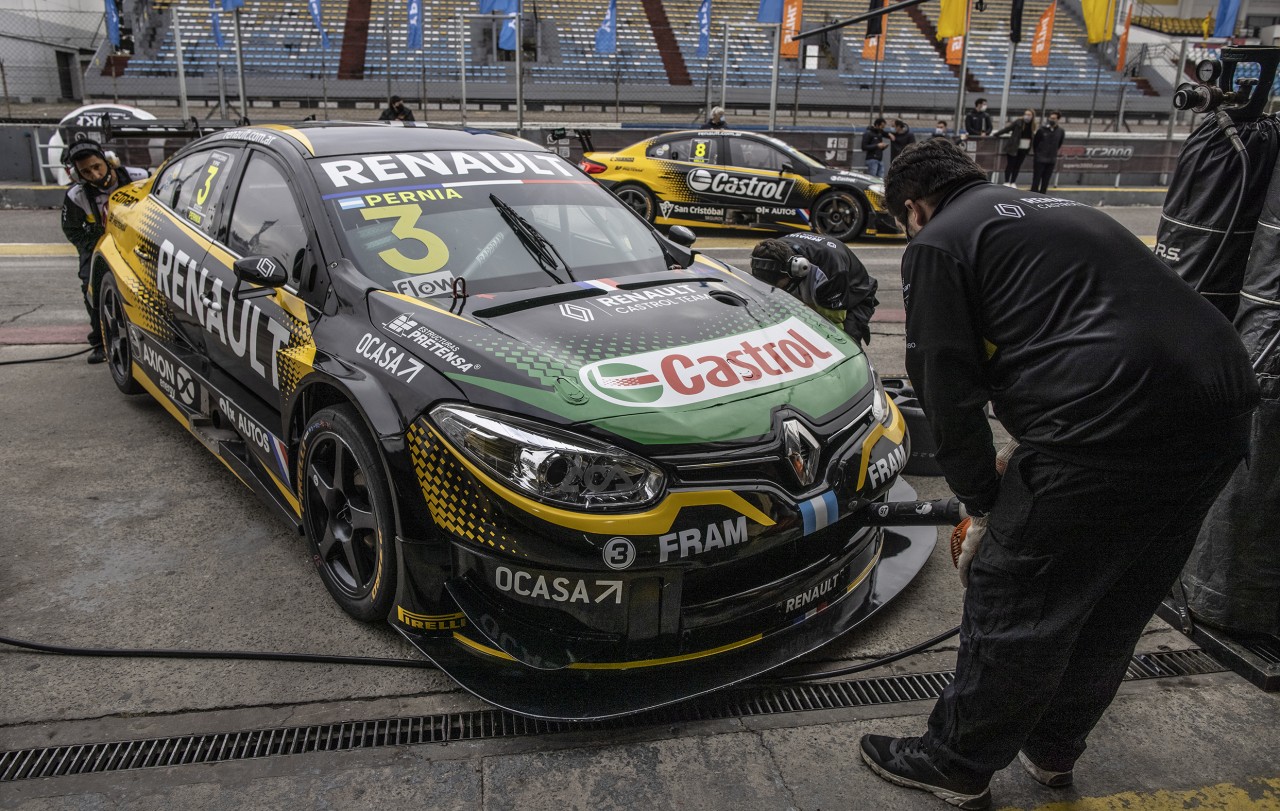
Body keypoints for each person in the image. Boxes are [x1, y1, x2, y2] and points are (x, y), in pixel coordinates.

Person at [861, 137, 1258, 809]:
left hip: (1107, 426)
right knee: (1116, 593)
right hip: (1219, 410)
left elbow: (945, 387)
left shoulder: (939, 241)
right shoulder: (1057, 207)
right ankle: (1052, 747)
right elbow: (1074, 330)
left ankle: (956, 760)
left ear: (915, 207)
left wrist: (985, 503)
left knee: (1017, 587)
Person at [60, 139, 150, 364]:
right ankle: (100, 341)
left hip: (136, 238)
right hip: (100, 243)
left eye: (97, 166)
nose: (94, 173)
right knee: (88, 284)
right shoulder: (76, 196)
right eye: (86, 171)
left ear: (108, 160)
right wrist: (93, 243)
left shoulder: (140, 176)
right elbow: (71, 230)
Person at [749, 232, 879, 345]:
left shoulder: (830, 269)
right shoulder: (771, 253)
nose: (779, 290)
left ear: (798, 268)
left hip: (852, 296)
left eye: (780, 286)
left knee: (844, 342)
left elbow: (833, 326)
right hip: (814, 291)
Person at [991, 109, 1036, 187]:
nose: (1027, 116)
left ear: (1032, 116)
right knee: (1010, 165)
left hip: (1024, 148)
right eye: (1026, 114)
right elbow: (1008, 129)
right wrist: (996, 134)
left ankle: (1013, 181)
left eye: (1029, 115)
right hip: (1013, 147)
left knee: (1017, 166)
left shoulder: (1033, 125)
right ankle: (1007, 181)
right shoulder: (1019, 122)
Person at [1030, 110, 1064, 194]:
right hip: (1040, 158)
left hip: (1051, 159)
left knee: (1046, 180)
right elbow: (1035, 143)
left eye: (1054, 118)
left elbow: (1059, 143)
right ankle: (1033, 194)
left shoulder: (1060, 131)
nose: (1052, 120)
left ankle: (1043, 195)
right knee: (1036, 179)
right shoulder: (1042, 130)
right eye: (1051, 118)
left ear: (1058, 120)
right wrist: (1038, 154)